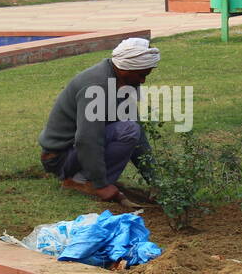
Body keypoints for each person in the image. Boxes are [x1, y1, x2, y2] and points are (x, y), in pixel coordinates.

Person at [39, 37, 158, 202]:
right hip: (59, 157)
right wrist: (101, 185)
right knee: (128, 130)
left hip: (75, 152)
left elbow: (139, 138)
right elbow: (87, 139)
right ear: (125, 68)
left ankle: (90, 178)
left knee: (132, 129)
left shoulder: (126, 83)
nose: (143, 80)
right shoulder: (96, 86)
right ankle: (79, 181)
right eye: (141, 74)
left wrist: (156, 181)